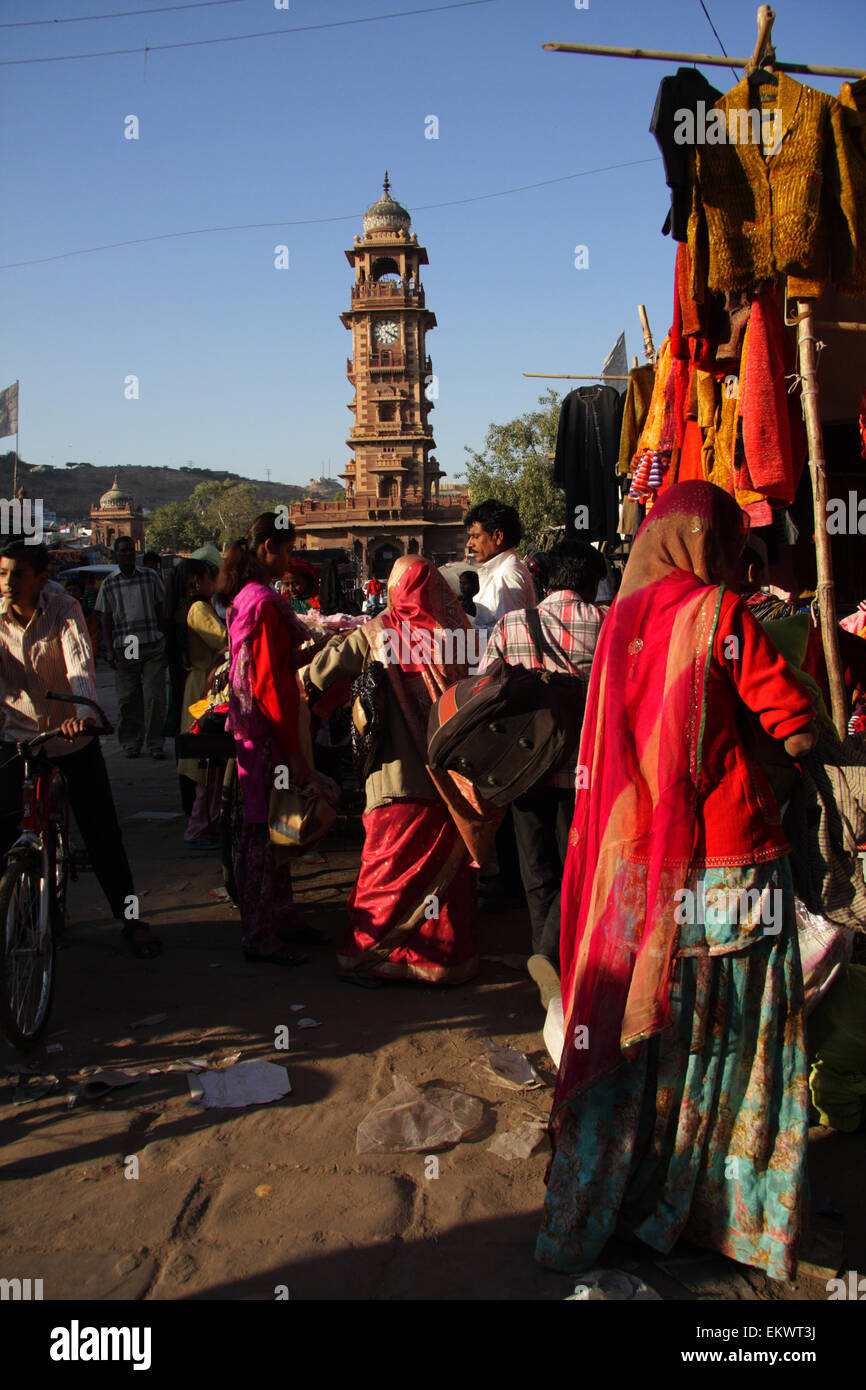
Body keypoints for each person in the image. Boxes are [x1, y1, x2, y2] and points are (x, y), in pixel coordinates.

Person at [536, 481, 817, 1282]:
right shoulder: (723, 615)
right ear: (716, 544)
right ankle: (718, 1212)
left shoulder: (620, 620)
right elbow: (794, 727)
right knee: (733, 1041)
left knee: (647, 1041)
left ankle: (612, 1197)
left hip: (637, 870)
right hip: (732, 864)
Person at [304, 555, 495, 985]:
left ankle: (372, 953)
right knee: (445, 874)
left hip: (395, 776)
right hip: (449, 778)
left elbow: (323, 672)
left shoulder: (379, 632)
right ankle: (444, 960)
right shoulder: (460, 633)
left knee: (386, 866)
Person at [0, 542, 161, 957]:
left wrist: (82, 712)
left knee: (102, 834)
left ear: (40, 577)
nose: (7, 583)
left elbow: (78, 664)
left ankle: (130, 917)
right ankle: (14, 913)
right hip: (17, 738)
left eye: (17, 574)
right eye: (2, 574)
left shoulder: (64, 607)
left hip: (71, 735)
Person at [479, 539, 606, 1009]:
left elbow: (484, 687)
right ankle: (566, 961)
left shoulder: (512, 624)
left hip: (526, 766)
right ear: (593, 582)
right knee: (581, 863)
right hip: (587, 769)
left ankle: (543, 967)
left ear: (547, 580)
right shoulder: (609, 624)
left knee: (536, 870)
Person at [217, 512, 311, 965]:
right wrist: (293, 751)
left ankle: (281, 916)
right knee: (263, 832)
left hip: (250, 731)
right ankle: (259, 931)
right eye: (288, 551)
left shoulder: (246, 598)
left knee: (276, 825)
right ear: (268, 547)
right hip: (266, 734)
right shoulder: (266, 604)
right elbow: (271, 682)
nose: (290, 561)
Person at [95, 536, 167, 759]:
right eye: (122, 550)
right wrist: (108, 649)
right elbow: (106, 619)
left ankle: (155, 743)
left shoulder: (150, 577)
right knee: (129, 697)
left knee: (155, 696)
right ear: (115, 554)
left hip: (151, 641)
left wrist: (164, 637)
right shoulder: (110, 583)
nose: (127, 554)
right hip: (127, 644)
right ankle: (130, 742)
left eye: (130, 550)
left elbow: (161, 607)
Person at [176, 560, 227, 848]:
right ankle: (199, 827)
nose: (216, 583)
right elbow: (224, 640)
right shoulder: (197, 609)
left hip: (198, 683)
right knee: (207, 758)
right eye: (212, 578)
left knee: (206, 759)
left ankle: (206, 822)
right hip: (203, 687)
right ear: (197, 582)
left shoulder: (193, 606)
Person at [464, 499, 536, 646]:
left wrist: (465, 632)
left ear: (497, 536)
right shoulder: (500, 572)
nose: (469, 544)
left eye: (476, 536)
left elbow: (510, 637)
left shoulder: (507, 575)